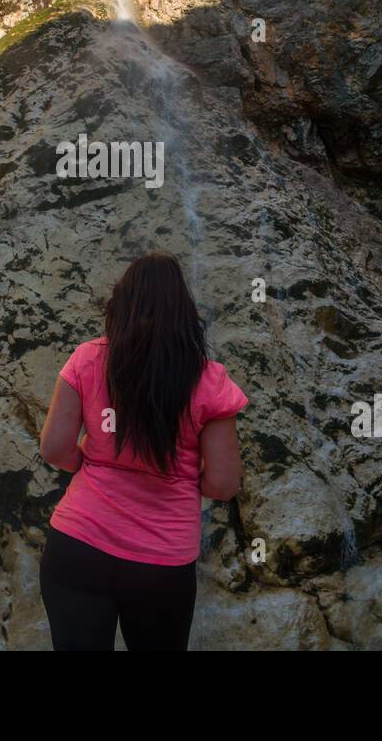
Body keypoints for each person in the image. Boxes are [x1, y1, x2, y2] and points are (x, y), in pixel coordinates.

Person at [37, 251, 248, 651]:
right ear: (185, 313)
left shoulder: (88, 357)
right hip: (161, 564)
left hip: (78, 546)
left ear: (120, 303)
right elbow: (222, 484)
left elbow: (54, 448)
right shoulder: (210, 380)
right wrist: (182, 478)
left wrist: (87, 460)